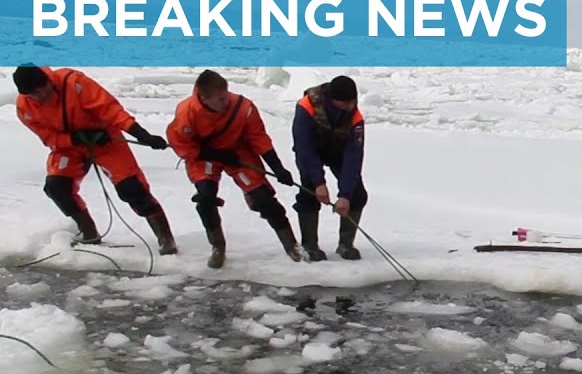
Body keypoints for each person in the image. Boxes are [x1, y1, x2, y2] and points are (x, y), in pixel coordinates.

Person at [13, 64, 178, 254]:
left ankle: (166, 239)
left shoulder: (74, 83)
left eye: (43, 87)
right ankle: (89, 232)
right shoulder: (24, 108)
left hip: (106, 141)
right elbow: (48, 137)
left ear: (48, 80)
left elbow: (111, 110)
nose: (41, 94)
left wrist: (141, 134)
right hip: (70, 147)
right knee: (57, 187)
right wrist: (75, 139)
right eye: (34, 93)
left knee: (132, 187)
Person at [166, 69, 303, 269]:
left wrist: (278, 168)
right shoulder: (186, 111)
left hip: (238, 153)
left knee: (265, 200)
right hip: (205, 155)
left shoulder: (243, 107)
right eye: (220, 99)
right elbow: (181, 143)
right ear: (204, 98)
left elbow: (259, 138)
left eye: (226, 95)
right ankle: (218, 246)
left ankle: (292, 246)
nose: (226, 101)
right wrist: (215, 154)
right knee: (206, 198)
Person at [291, 75, 367, 261]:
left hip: (338, 151)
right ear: (332, 99)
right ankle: (310, 245)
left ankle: (346, 244)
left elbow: (353, 156)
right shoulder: (306, 107)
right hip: (310, 152)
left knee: (357, 194)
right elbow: (304, 147)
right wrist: (319, 183)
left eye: (353, 101)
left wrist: (345, 195)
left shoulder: (355, 117)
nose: (350, 106)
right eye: (345, 102)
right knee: (309, 193)